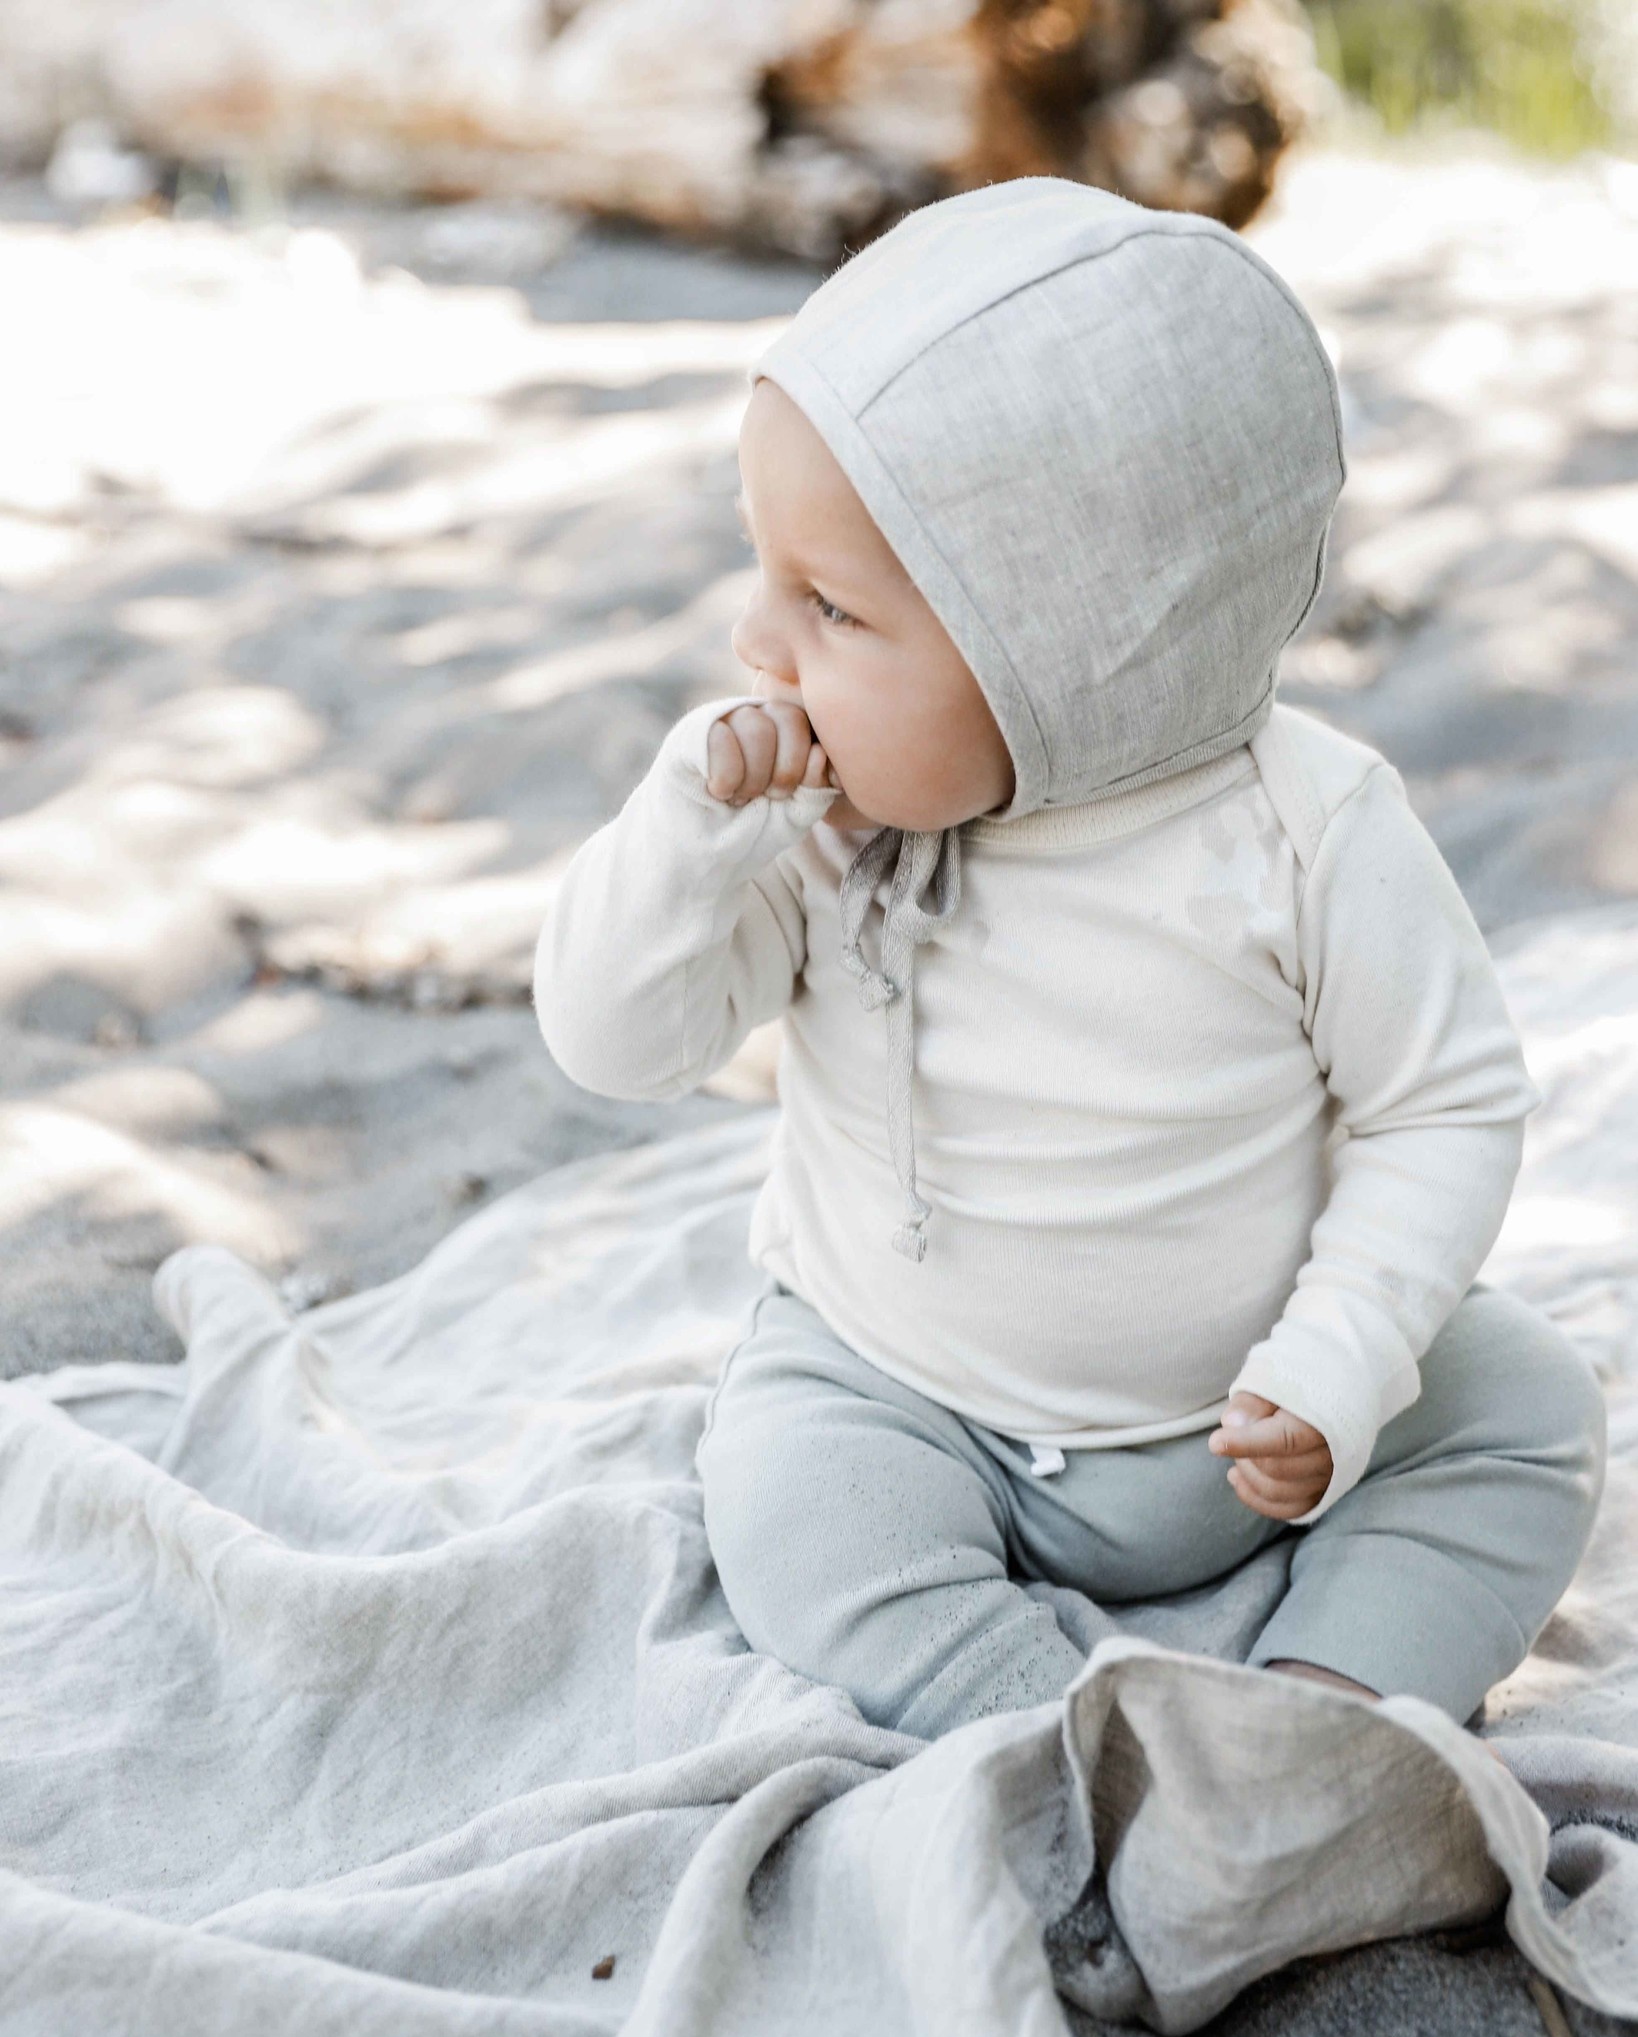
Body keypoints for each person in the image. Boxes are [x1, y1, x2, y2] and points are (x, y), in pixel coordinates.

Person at [534, 178, 1606, 1741]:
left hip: (1255, 1427)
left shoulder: (1303, 832)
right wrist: (678, 838)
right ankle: (1059, 1738)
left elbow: (1439, 1108)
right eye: (763, 572)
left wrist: (1340, 1360)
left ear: (1065, 647)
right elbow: (615, 1045)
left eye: (828, 605)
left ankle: (1312, 1721)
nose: (758, 643)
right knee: (787, 1495)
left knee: (1524, 1413)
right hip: (913, 1399)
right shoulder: (819, 822)